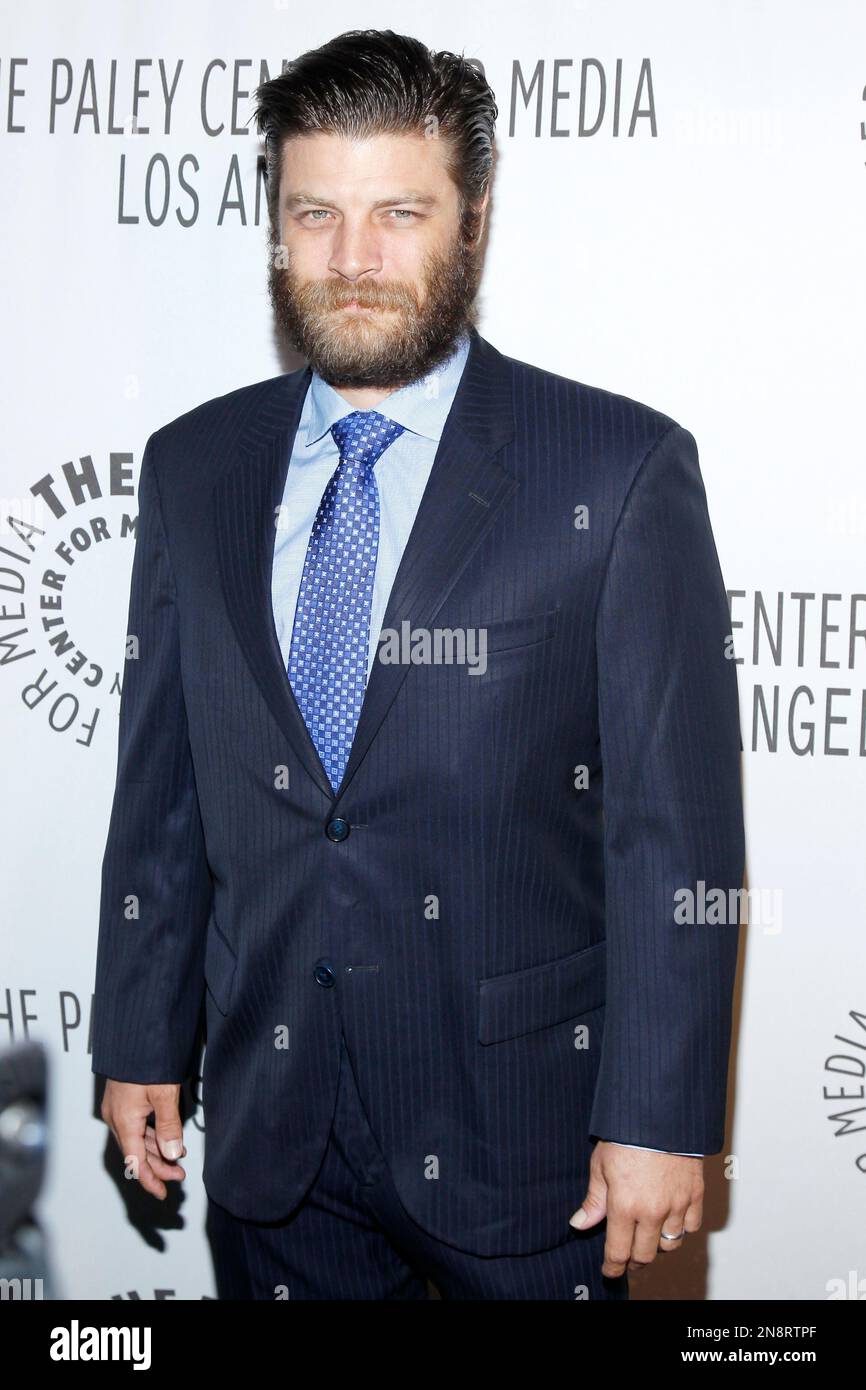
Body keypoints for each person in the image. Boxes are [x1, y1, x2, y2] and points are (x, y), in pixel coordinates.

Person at [92, 28, 745, 1301]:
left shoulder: (611, 472)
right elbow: (162, 795)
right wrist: (138, 1036)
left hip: (528, 1141)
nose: (350, 259)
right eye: (314, 212)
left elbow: (674, 832)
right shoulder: (194, 467)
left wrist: (660, 1112)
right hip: (277, 1142)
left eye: (398, 212)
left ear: (475, 220)